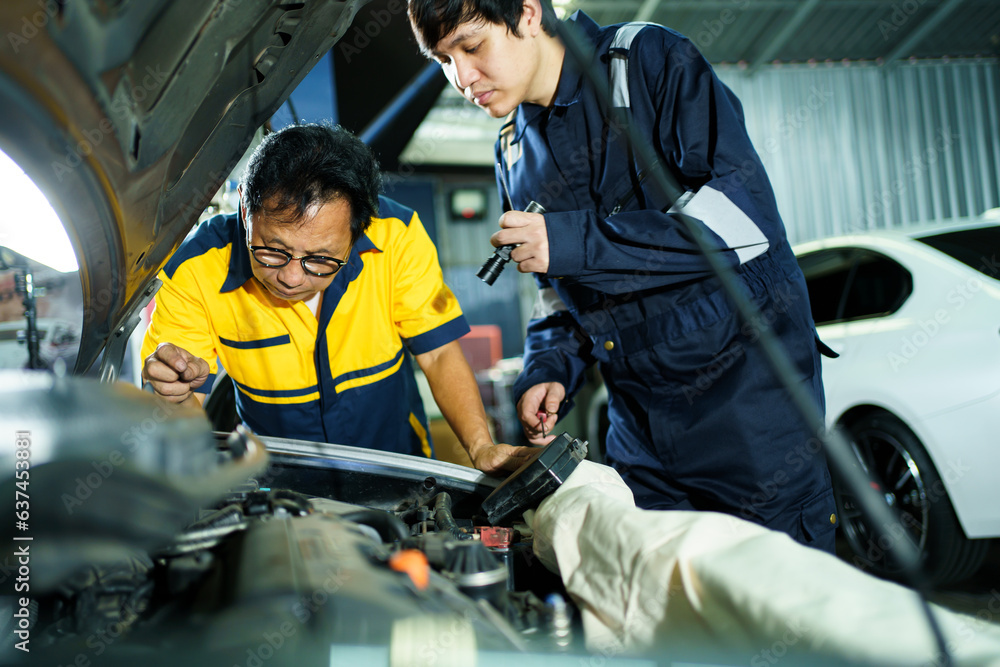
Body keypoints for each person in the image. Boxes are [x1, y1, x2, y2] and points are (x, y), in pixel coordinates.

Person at [408, 0, 837, 549]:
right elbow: (558, 299)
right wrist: (550, 367)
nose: (461, 78)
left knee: (782, 607)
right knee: (659, 608)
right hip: (640, 432)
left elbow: (741, 223)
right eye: (444, 60)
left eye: (472, 47)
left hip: (749, 416)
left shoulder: (647, 62)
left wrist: (572, 241)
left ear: (531, 14)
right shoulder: (513, 152)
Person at [141, 123, 533, 474]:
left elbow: (438, 353)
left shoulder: (397, 237)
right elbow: (184, 407)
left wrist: (481, 447)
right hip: (275, 483)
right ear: (245, 208)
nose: (292, 277)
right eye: (272, 250)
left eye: (321, 260)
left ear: (358, 230)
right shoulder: (194, 268)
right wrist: (174, 396)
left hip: (397, 470)